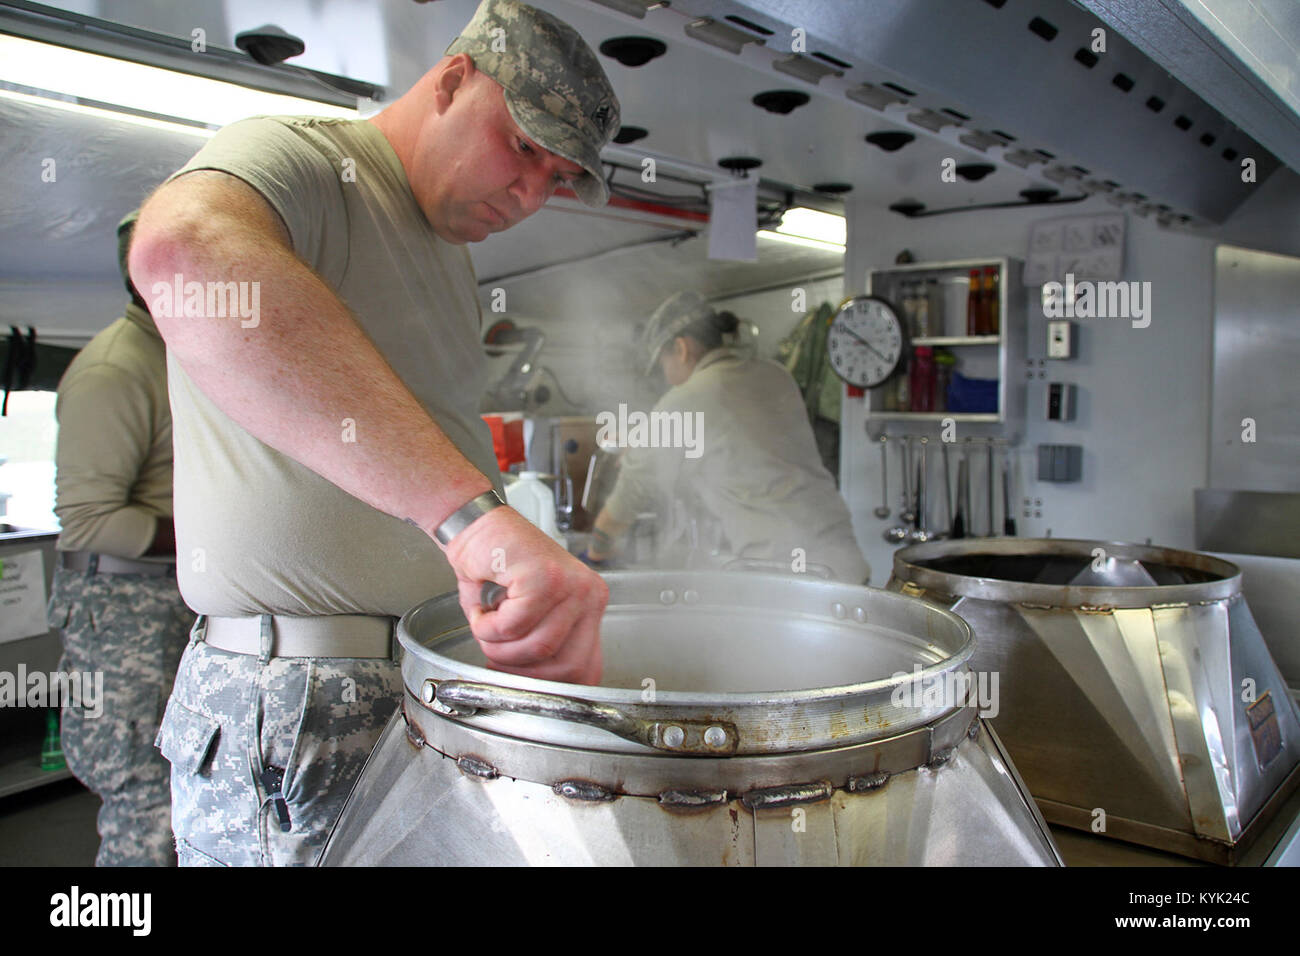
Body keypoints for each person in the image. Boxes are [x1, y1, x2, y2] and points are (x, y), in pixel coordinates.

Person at [130, 0, 614, 866]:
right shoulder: (306, 161)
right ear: (453, 79)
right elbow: (184, 257)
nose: (532, 193)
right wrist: (474, 526)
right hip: (301, 698)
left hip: (419, 684)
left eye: (560, 178)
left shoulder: (448, 258)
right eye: (526, 148)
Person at [46, 211, 192, 866]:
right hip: (125, 618)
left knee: (185, 790)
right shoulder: (113, 368)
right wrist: (214, 537)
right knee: (147, 803)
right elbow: (89, 522)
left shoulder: (180, 357)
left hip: (175, 606)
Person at [587, 291, 870, 583]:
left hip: (786, 578)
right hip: (846, 563)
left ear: (681, 349)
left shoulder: (687, 398)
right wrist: (644, 441)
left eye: (663, 364)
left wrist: (597, 550)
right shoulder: (775, 375)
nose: (667, 377)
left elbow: (632, 489)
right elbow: (743, 446)